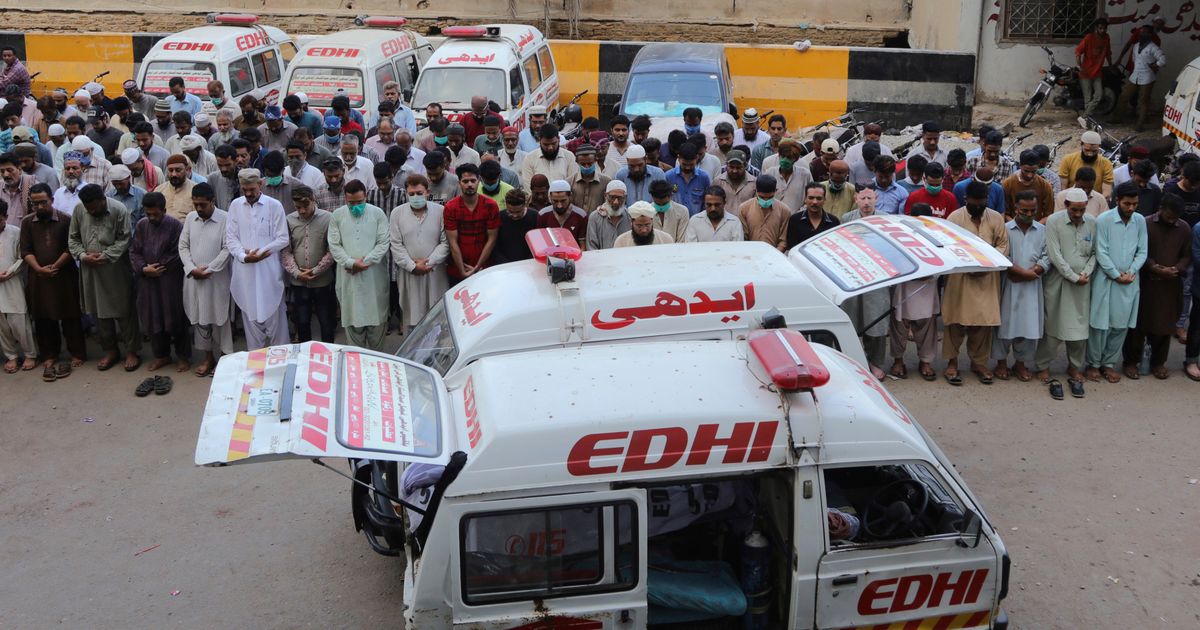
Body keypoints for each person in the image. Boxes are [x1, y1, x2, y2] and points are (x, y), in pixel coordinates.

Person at [68, 184, 141, 371]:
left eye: (94, 207)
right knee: (99, 313)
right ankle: (110, 350)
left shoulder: (119, 209)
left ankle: (132, 351)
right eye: (88, 208)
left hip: (115, 268)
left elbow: (125, 239)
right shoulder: (79, 210)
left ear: (103, 200)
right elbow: (73, 239)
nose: (91, 211)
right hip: (89, 270)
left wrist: (106, 255)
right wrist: (83, 256)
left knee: (124, 311)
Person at [942, 181, 1009, 385]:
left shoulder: (996, 217)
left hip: (987, 277)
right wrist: (969, 264)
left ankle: (978, 363)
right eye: (975, 201)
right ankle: (952, 363)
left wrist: (987, 264)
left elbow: (1003, 244)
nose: (979, 205)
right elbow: (946, 244)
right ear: (966, 199)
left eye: (983, 201)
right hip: (960, 277)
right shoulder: (955, 217)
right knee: (955, 322)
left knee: (982, 323)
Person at [1034, 188, 1097, 394]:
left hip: (1083, 283)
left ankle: (1074, 366)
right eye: (1074, 210)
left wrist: (1085, 273)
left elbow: (1094, 253)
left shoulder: (1092, 223)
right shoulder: (1054, 221)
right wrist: (1072, 276)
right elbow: (1054, 254)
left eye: (1081, 210)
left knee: (1079, 329)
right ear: (1066, 206)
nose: (1078, 215)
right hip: (1059, 282)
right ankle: (1043, 365)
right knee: (1053, 326)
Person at [20, 183, 86, 379]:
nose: (40, 207)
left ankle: (77, 352)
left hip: (64, 274)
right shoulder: (27, 222)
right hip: (38, 276)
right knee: (43, 317)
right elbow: (25, 250)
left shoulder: (66, 220)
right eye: (35, 203)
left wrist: (55, 266)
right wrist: (39, 269)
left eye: (43, 202)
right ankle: (50, 354)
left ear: (52, 200)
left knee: (70, 314)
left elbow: (71, 247)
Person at [1121, 193, 1189, 379]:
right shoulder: (1145, 223)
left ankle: (1158, 362)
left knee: (1164, 327)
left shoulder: (1183, 228)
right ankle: (1131, 362)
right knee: (1138, 325)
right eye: (1169, 216)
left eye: (1175, 217)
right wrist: (1154, 267)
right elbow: (1138, 250)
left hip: (1170, 284)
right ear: (1161, 209)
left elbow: (1187, 256)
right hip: (1146, 282)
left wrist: (1176, 268)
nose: (1172, 220)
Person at [1086, 182, 1148, 383]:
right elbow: (1101, 251)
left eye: (1134, 204)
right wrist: (1115, 274)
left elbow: (1142, 251)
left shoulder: (1139, 220)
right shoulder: (1104, 220)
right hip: (1106, 279)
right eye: (1127, 204)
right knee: (1100, 324)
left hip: (1130, 280)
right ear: (1117, 201)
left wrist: (1130, 272)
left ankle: (1109, 363)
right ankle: (1094, 364)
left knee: (1120, 326)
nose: (1131, 208)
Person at [226, 168, 290, 349]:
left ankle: (281, 362)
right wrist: (244, 257)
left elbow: (283, 238)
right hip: (245, 271)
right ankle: (256, 366)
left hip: (268, 272)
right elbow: (230, 239)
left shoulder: (274, 205)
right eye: (244, 190)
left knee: (276, 317)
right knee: (250, 315)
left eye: (252, 190)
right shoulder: (235, 205)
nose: (248, 194)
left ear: (261, 184)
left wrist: (260, 253)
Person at [992, 191, 1048, 381]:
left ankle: (1021, 363)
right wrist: (1021, 273)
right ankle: (1001, 362)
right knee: (1005, 322)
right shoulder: (1005, 229)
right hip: (1009, 282)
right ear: (1015, 208)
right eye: (1024, 210)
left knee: (1028, 323)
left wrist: (1035, 270)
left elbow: (1048, 255)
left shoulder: (1042, 230)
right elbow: (1001, 255)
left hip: (1033, 284)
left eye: (1033, 210)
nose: (1029, 214)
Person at [327, 179, 389, 351]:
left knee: (377, 326)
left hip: (374, 279)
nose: (355, 206)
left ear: (366, 197)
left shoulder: (378, 214)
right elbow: (334, 244)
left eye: (359, 202)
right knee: (352, 325)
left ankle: (377, 368)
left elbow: (383, 243)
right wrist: (350, 263)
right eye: (351, 203)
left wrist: (364, 262)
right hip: (348, 278)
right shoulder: (337, 216)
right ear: (345, 200)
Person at [130, 192, 189, 372]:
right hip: (148, 282)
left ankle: (183, 357)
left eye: (156, 214)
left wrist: (158, 268)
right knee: (152, 318)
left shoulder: (175, 226)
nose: (152, 217)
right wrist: (143, 269)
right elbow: (134, 251)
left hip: (170, 280)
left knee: (176, 318)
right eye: (148, 214)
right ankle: (161, 355)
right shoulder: (141, 225)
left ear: (164, 210)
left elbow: (178, 252)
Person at [178, 183, 232, 376]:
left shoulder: (225, 218)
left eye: (203, 205)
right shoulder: (191, 218)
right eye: (196, 205)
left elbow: (228, 248)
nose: (199, 209)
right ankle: (208, 358)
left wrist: (210, 269)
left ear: (212, 201)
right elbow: (183, 246)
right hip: (194, 278)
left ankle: (225, 358)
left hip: (216, 279)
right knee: (200, 318)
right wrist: (192, 269)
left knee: (220, 317)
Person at [389, 175, 449, 334]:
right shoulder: (397, 213)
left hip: (435, 272)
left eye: (419, 193)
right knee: (412, 318)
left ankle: (437, 355)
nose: (415, 197)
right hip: (409, 273)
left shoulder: (440, 211)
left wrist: (429, 263)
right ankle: (412, 356)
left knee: (437, 317)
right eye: (412, 194)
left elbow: (445, 242)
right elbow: (395, 244)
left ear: (427, 192)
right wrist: (412, 266)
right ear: (406, 194)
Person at [840, 190, 890, 379]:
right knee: (850, 317)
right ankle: (851, 360)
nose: (866, 203)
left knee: (876, 319)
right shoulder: (846, 218)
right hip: (851, 274)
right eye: (863, 199)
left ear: (876, 199)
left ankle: (875, 362)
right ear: (856, 199)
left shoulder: (885, 220)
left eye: (870, 198)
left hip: (878, 275)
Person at [890, 200, 941, 380]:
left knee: (927, 325)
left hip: (927, 285)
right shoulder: (899, 235)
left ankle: (925, 361)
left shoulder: (937, 235)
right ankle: (898, 360)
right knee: (899, 324)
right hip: (904, 284)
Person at [280, 185, 335, 344]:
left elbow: (332, 250)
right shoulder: (289, 220)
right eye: (298, 207)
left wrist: (317, 270)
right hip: (298, 282)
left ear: (314, 201)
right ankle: (306, 360)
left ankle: (328, 358)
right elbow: (285, 251)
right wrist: (297, 273)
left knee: (326, 323)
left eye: (305, 206)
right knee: (302, 323)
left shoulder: (328, 218)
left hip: (323, 281)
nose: (302, 211)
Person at [444, 163, 500, 283]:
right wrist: (462, 270)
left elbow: (492, 239)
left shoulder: (490, 205)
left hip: (485, 268)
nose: (469, 184)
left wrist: (477, 267)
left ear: (479, 181)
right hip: (457, 268)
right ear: (459, 183)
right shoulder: (451, 207)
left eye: (473, 180)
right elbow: (452, 242)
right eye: (465, 181)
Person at [0, 198, 36, 372]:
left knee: (18, 321)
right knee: (2, 326)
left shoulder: (15, 232)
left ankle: (29, 354)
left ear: (5, 217)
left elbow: (23, 257)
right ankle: (12, 356)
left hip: (12, 282)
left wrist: (10, 272)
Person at [1116, 26, 1167, 131]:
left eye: (1144, 33)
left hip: (1147, 77)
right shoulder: (1136, 46)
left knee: (1143, 101)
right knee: (1124, 96)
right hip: (1135, 75)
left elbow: (1163, 59)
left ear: (1150, 35)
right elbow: (1134, 60)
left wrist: (1155, 65)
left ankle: (1140, 124)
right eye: (1141, 32)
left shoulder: (1153, 47)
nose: (1141, 34)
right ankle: (1117, 117)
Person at [1075, 18, 1114, 121]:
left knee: (1099, 95)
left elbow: (1108, 53)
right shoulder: (1089, 38)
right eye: (1100, 28)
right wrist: (1080, 67)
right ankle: (1087, 120)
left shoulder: (1106, 38)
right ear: (1096, 28)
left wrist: (1111, 65)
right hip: (1085, 73)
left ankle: (1084, 117)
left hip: (1097, 72)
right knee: (1087, 99)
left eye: (1105, 28)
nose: (1103, 30)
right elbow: (1078, 52)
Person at [738, 174, 789, 250]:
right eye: (762, 197)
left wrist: (773, 255)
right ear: (756, 191)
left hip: (774, 255)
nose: (766, 201)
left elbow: (783, 241)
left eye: (770, 197)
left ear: (775, 191)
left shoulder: (784, 210)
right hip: (750, 254)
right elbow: (743, 238)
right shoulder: (744, 208)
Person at [520, 123, 577, 189]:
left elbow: (572, 185)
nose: (550, 147)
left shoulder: (569, 157)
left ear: (558, 139)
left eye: (553, 143)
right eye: (546, 144)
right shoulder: (529, 159)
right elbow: (529, 187)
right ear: (539, 140)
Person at [1001, 150, 1054, 221]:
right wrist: (1016, 227)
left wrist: (1036, 227)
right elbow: (1004, 213)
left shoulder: (1045, 186)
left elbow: (1048, 214)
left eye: (1033, 171)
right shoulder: (1008, 184)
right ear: (1020, 166)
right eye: (1026, 171)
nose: (1029, 175)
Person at [1059, 131, 1114, 199]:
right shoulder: (1068, 160)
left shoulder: (1106, 164)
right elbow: (1063, 187)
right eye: (1087, 150)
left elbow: (1106, 192)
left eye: (1094, 151)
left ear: (1099, 147)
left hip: (1096, 202)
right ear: (1081, 145)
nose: (1090, 154)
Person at [785, 182, 839, 249]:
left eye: (819, 198)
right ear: (805, 199)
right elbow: (792, 247)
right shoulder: (795, 220)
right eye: (811, 198)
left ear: (824, 200)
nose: (814, 202)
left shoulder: (834, 222)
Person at [537, 178, 588, 245]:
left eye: (563, 201)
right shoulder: (542, 215)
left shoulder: (581, 216)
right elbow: (540, 243)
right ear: (550, 197)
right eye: (555, 201)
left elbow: (582, 245)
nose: (559, 206)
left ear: (570, 196)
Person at [584, 180, 629, 251]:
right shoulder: (595, 217)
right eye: (612, 197)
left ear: (625, 198)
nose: (616, 202)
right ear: (605, 195)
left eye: (620, 198)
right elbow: (591, 247)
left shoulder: (629, 216)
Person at [647, 178, 689, 244]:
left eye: (664, 204)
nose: (661, 207)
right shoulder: (646, 211)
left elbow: (681, 239)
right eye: (658, 204)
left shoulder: (682, 211)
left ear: (671, 196)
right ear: (652, 197)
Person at [155, 154, 195, 221]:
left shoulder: (195, 190)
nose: (174, 174)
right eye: (170, 170)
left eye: (178, 170)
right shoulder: (159, 190)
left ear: (187, 170)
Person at [715, 150, 755, 217]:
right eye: (731, 167)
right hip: (724, 224)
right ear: (726, 165)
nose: (734, 171)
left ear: (745, 166)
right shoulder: (718, 181)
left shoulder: (753, 183)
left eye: (738, 168)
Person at [0, 150, 35, 226]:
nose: (6, 175)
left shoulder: (32, 185)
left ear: (19, 170)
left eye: (10, 170)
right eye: (2, 171)